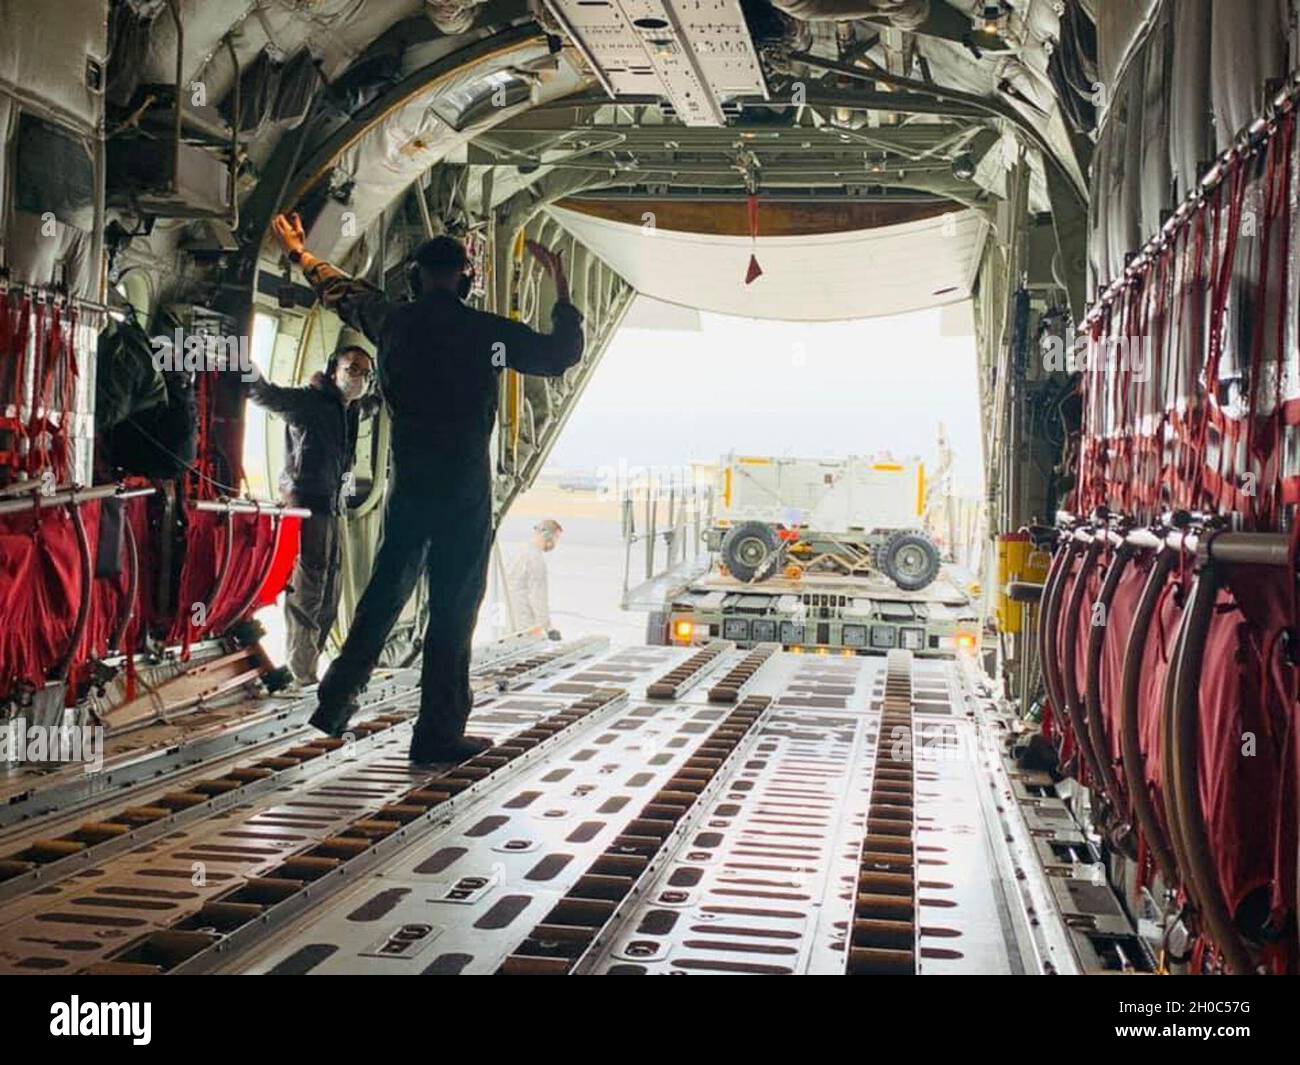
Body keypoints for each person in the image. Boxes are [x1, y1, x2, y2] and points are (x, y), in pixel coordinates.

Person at [269, 212, 583, 764]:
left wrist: (299, 254)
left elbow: (338, 290)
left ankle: (336, 700)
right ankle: (436, 734)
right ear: (465, 281)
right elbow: (559, 355)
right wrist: (560, 288)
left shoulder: (393, 323)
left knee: (385, 595)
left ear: (415, 280)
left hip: (410, 484)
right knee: (454, 610)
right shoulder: (487, 334)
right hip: (464, 489)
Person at [246, 345, 381, 685]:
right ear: (334, 370)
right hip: (306, 508)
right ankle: (302, 674)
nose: (359, 379)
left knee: (330, 596)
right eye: (352, 370)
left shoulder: (350, 410)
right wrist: (243, 365)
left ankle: (310, 667)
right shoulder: (308, 403)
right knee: (308, 592)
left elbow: (375, 403)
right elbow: (264, 394)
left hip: (333, 509)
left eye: (365, 373)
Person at [505, 519, 564, 639]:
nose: (555, 543)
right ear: (548, 536)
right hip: (525, 622)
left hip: (509, 618)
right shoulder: (536, 560)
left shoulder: (520, 552)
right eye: (556, 538)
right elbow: (538, 597)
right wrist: (548, 628)